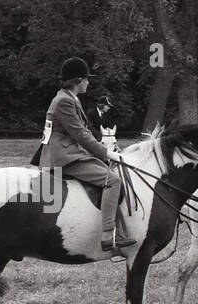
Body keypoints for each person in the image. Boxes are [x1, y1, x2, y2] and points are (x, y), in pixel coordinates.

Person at [40, 57, 133, 258]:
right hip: (65, 157)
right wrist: (108, 153)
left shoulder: (68, 97)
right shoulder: (64, 101)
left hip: (69, 152)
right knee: (112, 180)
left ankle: (120, 230)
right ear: (78, 80)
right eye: (87, 79)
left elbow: (84, 133)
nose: (89, 82)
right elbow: (81, 135)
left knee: (108, 172)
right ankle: (109, 234)